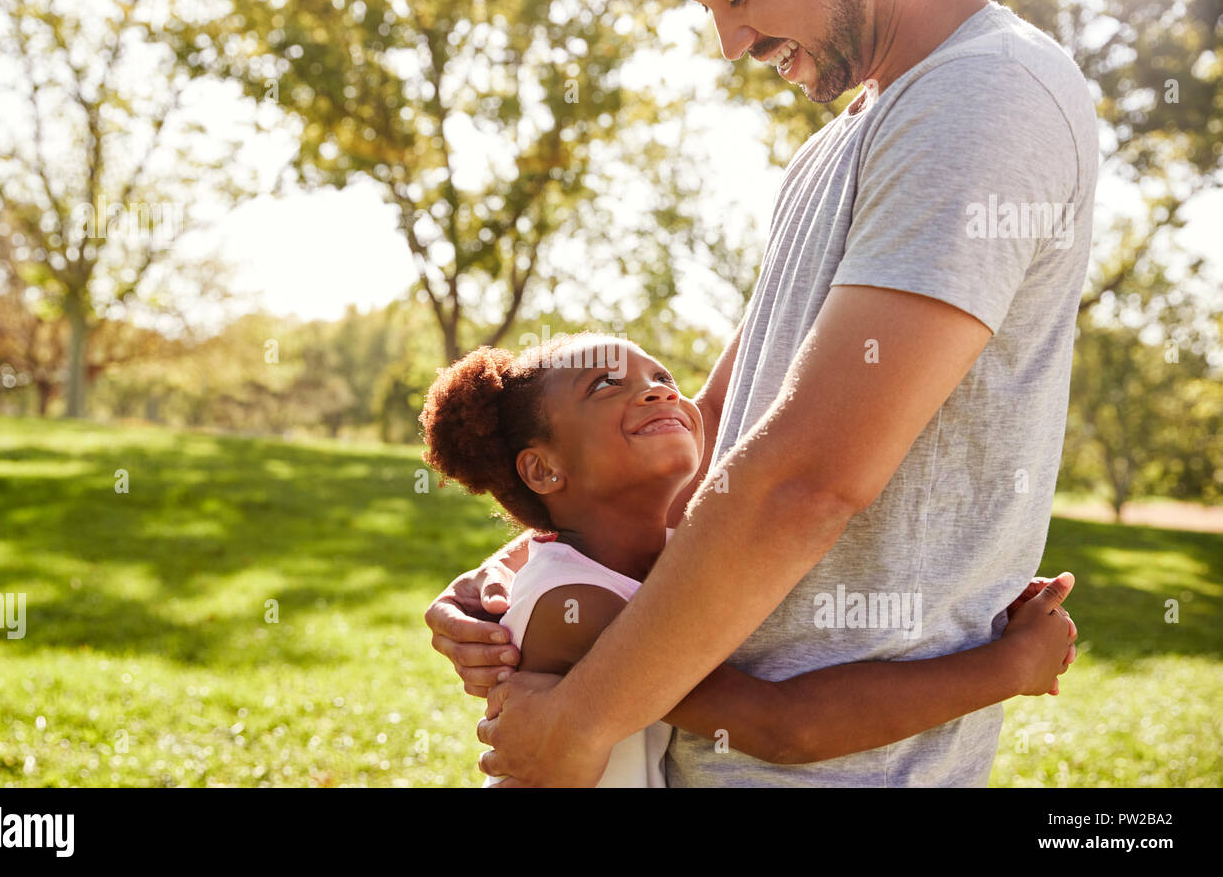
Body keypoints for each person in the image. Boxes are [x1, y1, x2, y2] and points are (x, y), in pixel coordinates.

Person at [428, 0, 1099, 786]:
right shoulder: (830, 153)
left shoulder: (986, 97)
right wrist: (521, 571)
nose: (730, 43)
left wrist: (579, 718)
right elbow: (716, 425)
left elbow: (805, 480)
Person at [421, 332, 1077, 787]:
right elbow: (782, 727)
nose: (658, 393)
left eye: (662, 378)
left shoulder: (662, 556)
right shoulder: (582, 607)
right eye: (604, 386)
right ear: (543, 468)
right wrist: (1009, 667)